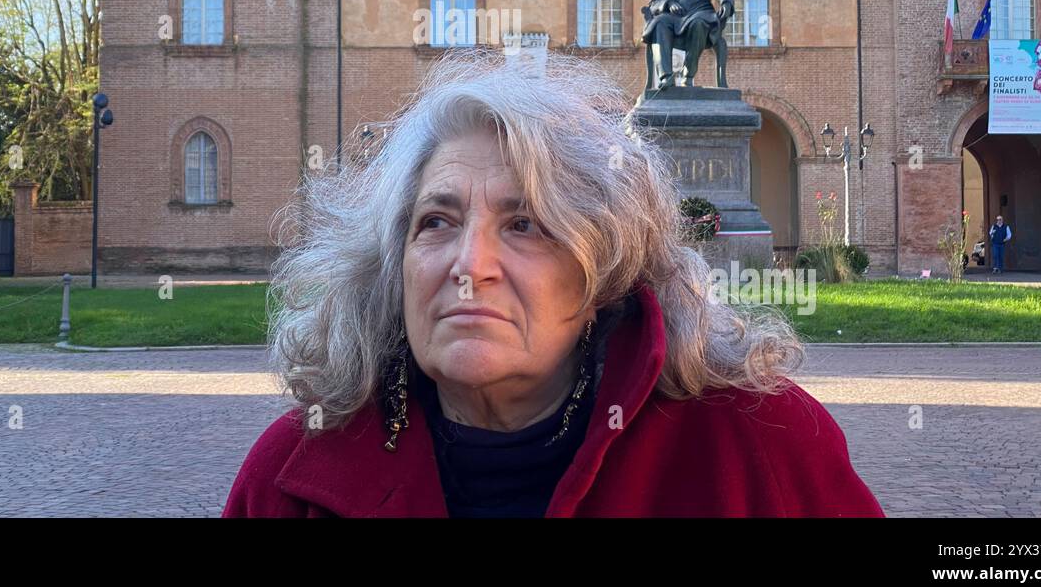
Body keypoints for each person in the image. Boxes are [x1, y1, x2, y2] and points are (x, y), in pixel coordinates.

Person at [223, 50, 883, 518]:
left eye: (526, 224)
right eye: (437, 221)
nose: (469, 262)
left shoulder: (758, 444)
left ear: (603, 270)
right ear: (394, 263)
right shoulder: (293, 475)